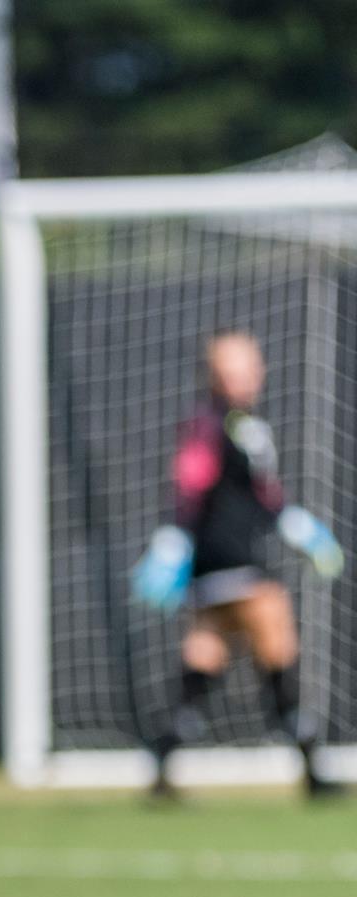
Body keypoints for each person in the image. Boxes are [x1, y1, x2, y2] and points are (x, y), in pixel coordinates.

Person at [132, 329, 345, 799]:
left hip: (212, 568)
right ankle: (313, 770)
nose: (248, 376)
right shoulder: (216, 426)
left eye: (251, 366)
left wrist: (300, 528)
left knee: (204, 657)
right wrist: (170, 541)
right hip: (235, 560)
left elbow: (264, 498)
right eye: (235, 368)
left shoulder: (241, 427)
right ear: (216, 375)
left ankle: (162, 762)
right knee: (279, 652)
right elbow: (191, 486)